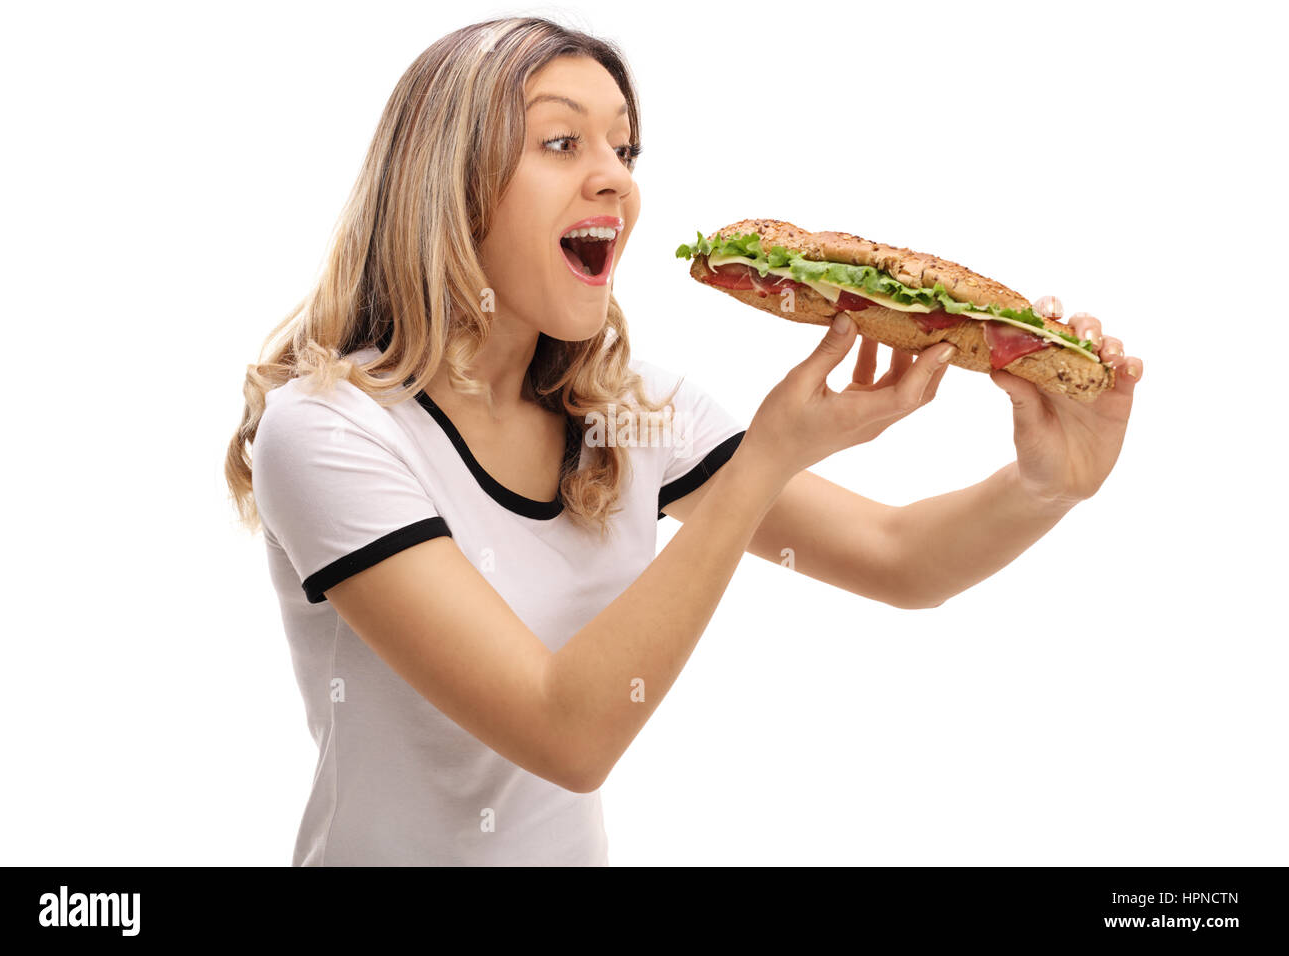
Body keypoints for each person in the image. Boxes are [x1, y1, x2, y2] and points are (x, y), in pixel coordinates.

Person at [223, 16, 1143, 867]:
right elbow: (567, 736)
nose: (617, 177)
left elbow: (901, 560)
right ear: (446, 184)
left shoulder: (632, 412)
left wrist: (1045, 486)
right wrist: (769, 459)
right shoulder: (330, 431)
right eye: (561, 141)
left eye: (624, 147)